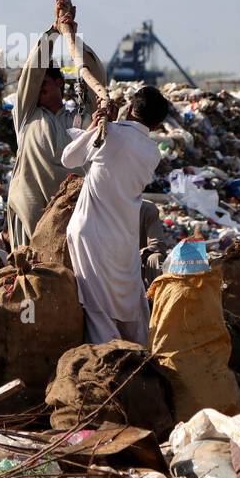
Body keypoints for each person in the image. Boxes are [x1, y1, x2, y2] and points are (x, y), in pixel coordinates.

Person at [61, 85, 171, 345]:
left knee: (97, 305)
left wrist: (97, 125)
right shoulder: (152, 153)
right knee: (130, 301)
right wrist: (104, 126)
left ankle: (108, 356)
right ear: (155, 127)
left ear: (130, 108)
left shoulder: (111, 133)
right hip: (123, 236)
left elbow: (68, 159)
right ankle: (138, 353)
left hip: (90, 232)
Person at [5, 8, 106, 249]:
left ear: (60, 82)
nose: (39, 90)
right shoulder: (27, 115)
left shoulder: (80, 119)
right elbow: (32, 73)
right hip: (31, 215)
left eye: (45, 84)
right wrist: (53, 33)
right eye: (36, 86)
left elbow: (97, 82)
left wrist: (72, 37)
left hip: (73, 216)